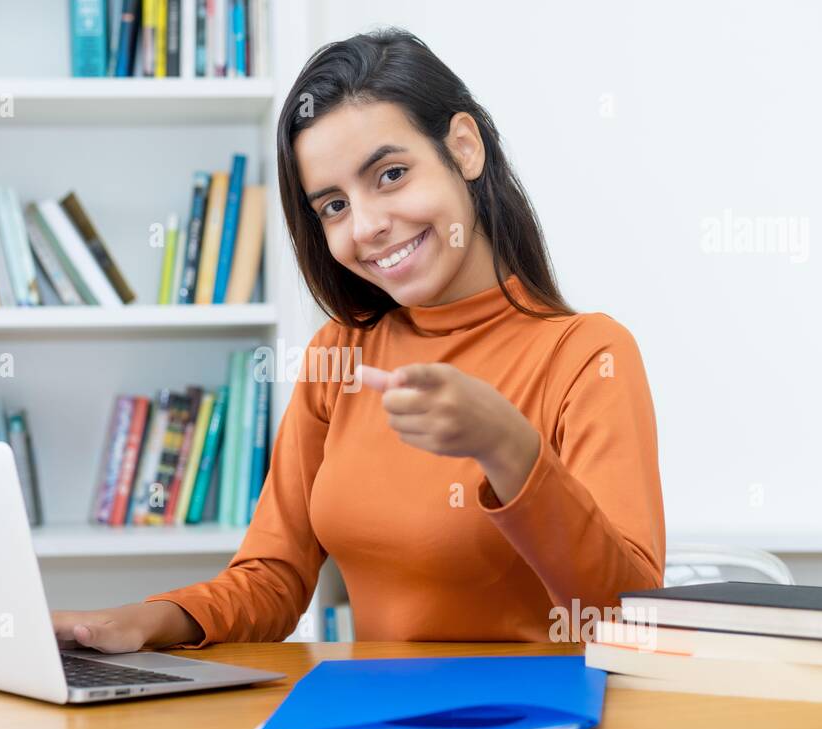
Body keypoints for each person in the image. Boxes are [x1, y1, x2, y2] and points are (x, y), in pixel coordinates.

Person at [52, 28, 665, 654]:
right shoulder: (338, 354)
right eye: (334, 206)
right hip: (371, 716)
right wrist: (144, 621)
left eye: (392, 174)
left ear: (463, 148)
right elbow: (272, 579)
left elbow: (623, 619)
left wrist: (507, 448)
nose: (367, 226)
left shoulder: (588, 355)